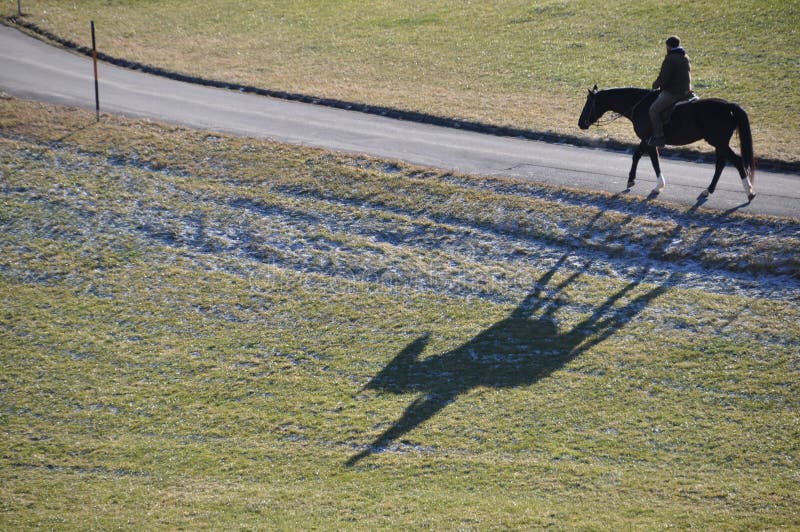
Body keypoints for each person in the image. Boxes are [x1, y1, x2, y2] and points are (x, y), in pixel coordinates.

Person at [648, 36, 692, 147]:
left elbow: (664, 77)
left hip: (674, 92)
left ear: (668, 46)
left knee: (653, 110)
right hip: (686, 90)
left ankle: (659, 137)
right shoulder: (685, 56)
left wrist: (655, 85)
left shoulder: (670, 59)